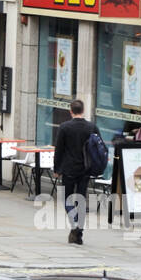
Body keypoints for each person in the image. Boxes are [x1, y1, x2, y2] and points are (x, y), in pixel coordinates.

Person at [53, 98, 101, 246]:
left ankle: (75, 225)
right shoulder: (92, 127)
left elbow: (59, 149)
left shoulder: (64, 127)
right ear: (83, 110)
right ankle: (78, 233)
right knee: (80, 200)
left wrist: (57, 169)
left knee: (67, 200)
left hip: (69, 169)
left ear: (71, 111)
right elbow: (99, 147)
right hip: (85, 169)